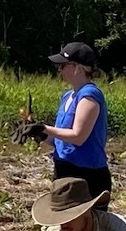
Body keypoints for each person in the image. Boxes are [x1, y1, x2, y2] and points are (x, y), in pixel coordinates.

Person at [40, 42, 112, 197]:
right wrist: (39, 134)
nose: (59, 70)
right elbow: (60, 140)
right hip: (63, 170)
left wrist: (44, 128)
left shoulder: (89, 95)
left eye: (63, 65)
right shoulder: (68, 96)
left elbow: (78, 137)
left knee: (87, 221)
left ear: (79, 68)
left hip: (86, 175)